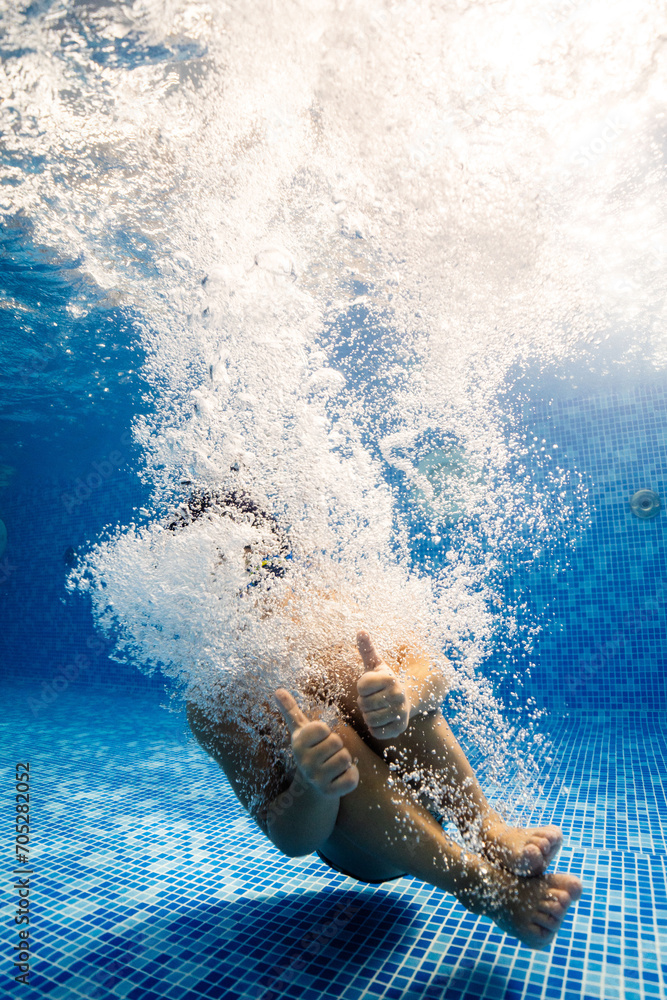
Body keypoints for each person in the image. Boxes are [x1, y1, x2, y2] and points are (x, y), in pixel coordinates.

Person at [181, 487, 582, 950]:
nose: (252, 597)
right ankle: (480, 886)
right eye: (224, 583)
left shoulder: (322, 603)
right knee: (319, 726)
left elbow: (431, 667)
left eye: (258, 569)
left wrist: (402, 695)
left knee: (370, 676)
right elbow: (291, 838)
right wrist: (314, 787)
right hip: (364, 847)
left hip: (431, 788)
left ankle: (484, 826)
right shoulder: (214, 698)